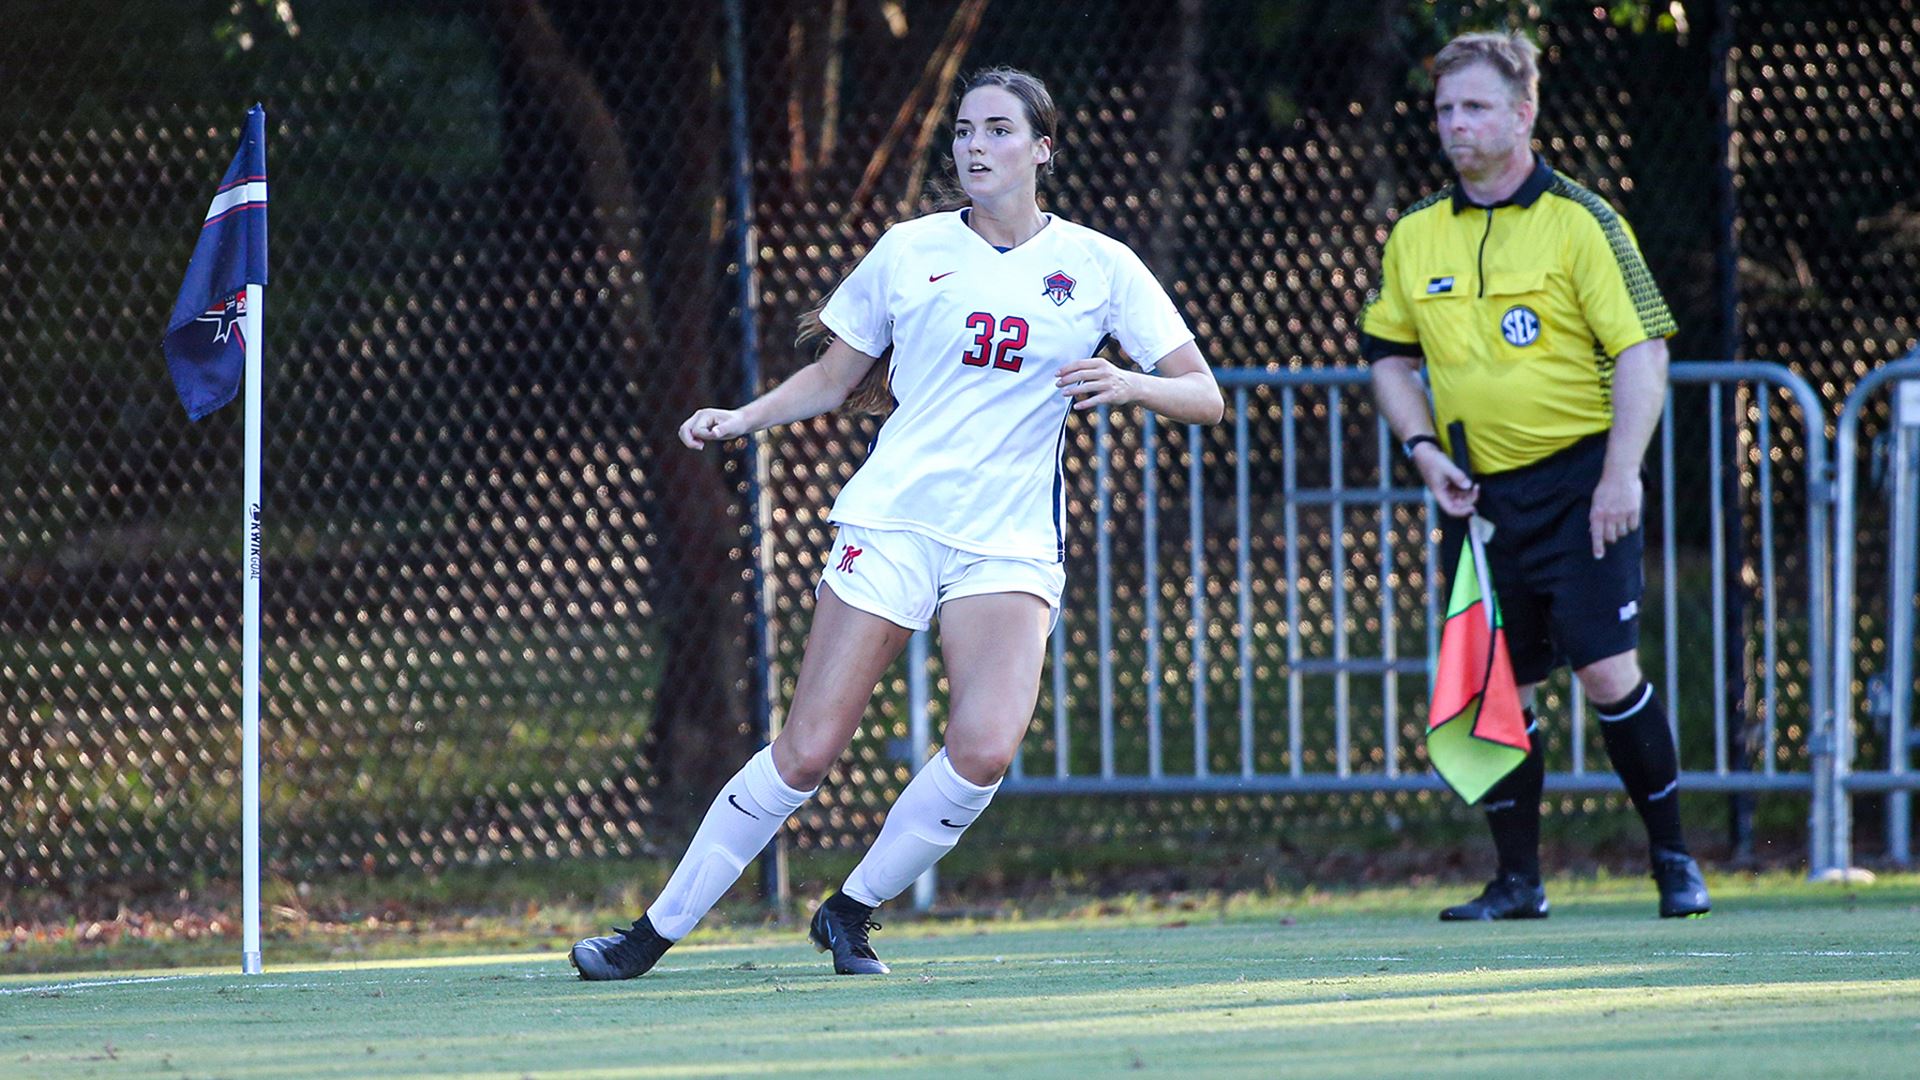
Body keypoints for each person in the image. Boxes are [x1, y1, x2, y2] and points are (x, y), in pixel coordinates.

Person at [570, 66, 1222, 979]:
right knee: (804, 753)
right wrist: (741, 418)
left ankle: (850, 910)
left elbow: (1206, 396)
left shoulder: (1102, 265)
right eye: (963, 131)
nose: (975, 146)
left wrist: (1131, 382)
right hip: (896, 521)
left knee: (986, 748)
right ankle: (651, 935)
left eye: (998, 130)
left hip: (1008, 541)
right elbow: (835, 381)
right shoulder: (910, 249)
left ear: (1042, 148)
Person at [1362, 31, 1711, 920]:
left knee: (1606, 671)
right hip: (1478, 497)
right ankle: (1519, 882)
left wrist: (1620, 476)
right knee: (1498, 685)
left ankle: (1674, 860)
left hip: (1581, 484)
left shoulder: (1583, 220)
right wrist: (1423, 450)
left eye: (1474, 106)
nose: (1455, 124)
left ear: (1525, 114)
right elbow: (1390, 360)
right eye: (1444, 108)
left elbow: (1642, 349)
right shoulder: (1415, 234)